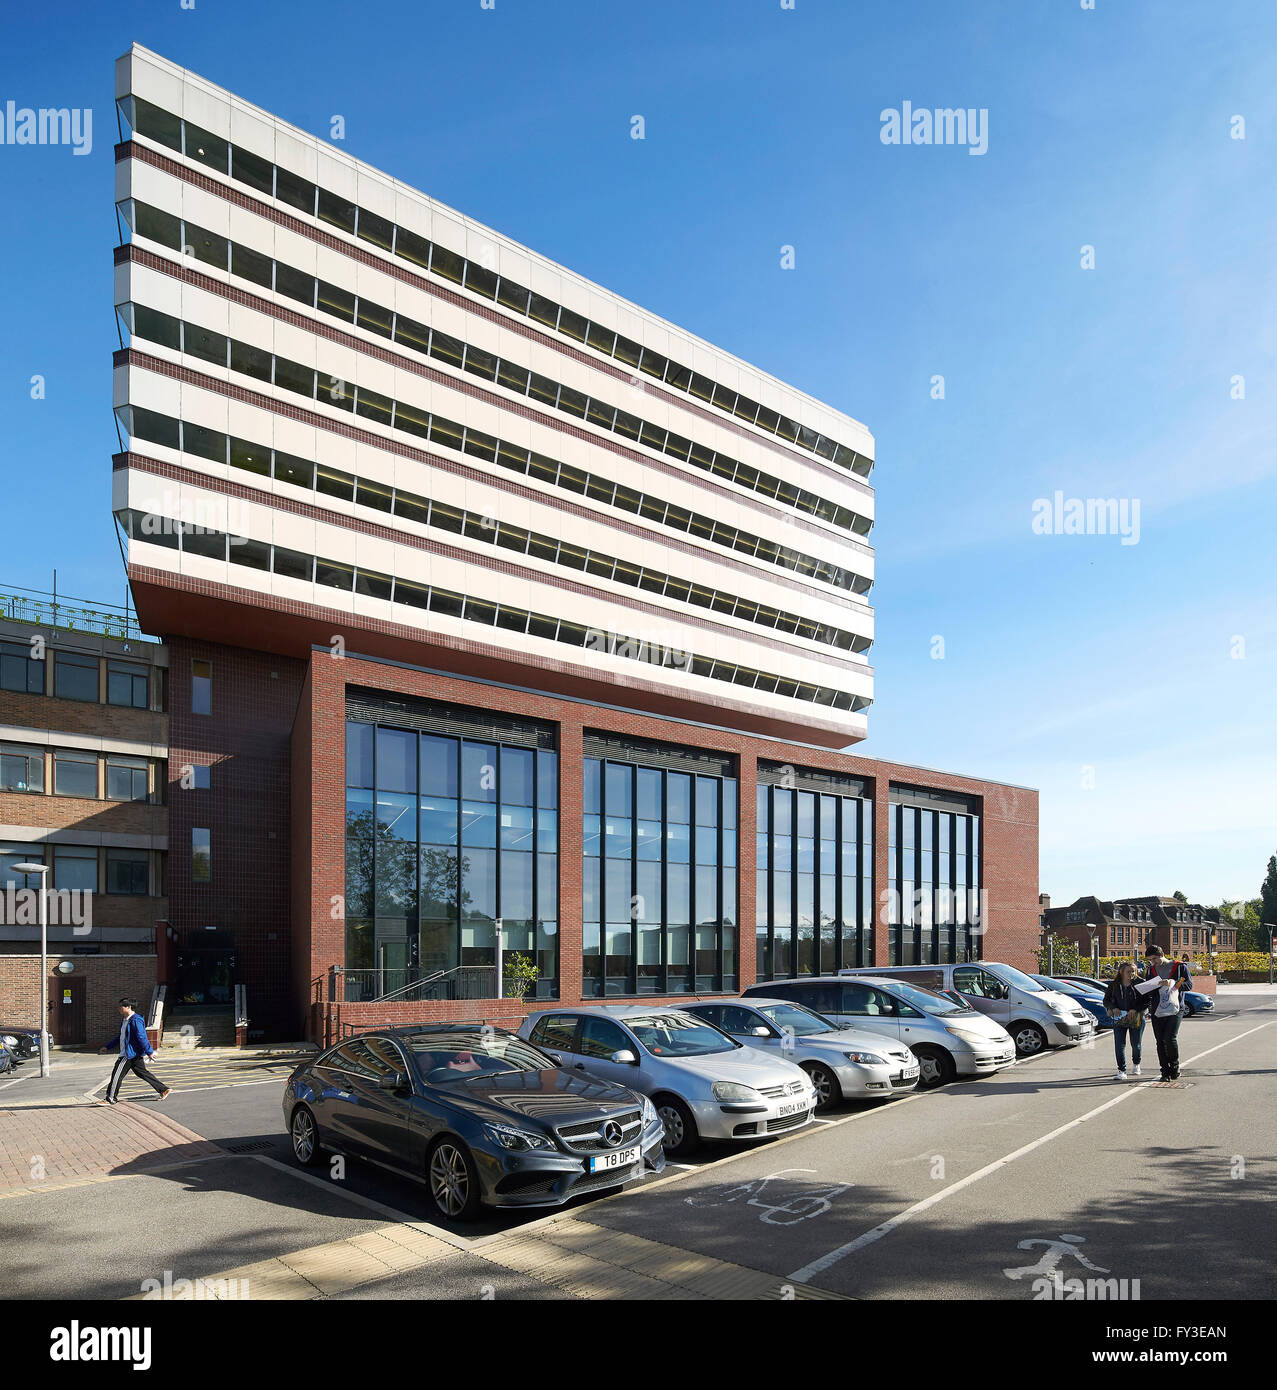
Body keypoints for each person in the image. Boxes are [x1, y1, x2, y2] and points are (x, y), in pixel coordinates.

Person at [99, 997, 171, 1104]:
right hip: (133, 1054)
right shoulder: (125, 1020)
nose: (119, 1008)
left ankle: (110, 1098)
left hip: (128, 1054)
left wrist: (149, 1051)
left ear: (128, 1007)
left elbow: (142, 1036)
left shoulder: (135, 1020)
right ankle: (163, 1089)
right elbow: (121, 1036)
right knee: (142, 1073)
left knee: (116, 1075)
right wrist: (108, 1046)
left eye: (121, 1006)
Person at [1143, 945, 1190, 1082]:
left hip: (1175, 1008)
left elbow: (1188, 984)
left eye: (1155, 959)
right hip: (1158, 1009)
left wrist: (1173, 983)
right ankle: (1164, 1071)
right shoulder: (1151, 970)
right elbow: (1149, 989)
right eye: (1151, 960)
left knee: (1170, 1038)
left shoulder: (1180, 967)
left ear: (1162, 954)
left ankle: (1175, 1067)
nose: (1153, 962)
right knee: (1160, 1041)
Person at [1102, 961, 1149, 1081]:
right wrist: (1113, 1007)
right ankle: (1121, 1070)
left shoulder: (1141, 983)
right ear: (1121, 972)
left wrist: (1136, 1009)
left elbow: (1147, 1001)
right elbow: (1106, 1000)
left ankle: (1136, 1064)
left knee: (1136, 1043)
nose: (1132, 974)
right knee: (1119, 1044)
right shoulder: (1114, 985)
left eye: (1134, 971)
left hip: (1136, 1017)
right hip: (1119, 1017)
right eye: (1129, 971)